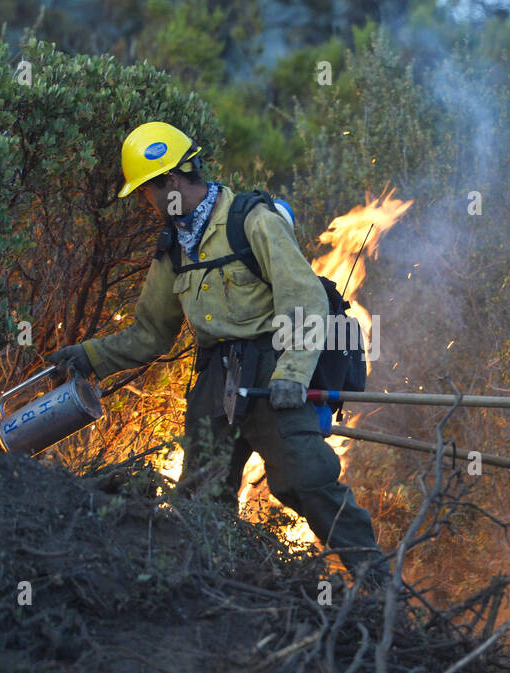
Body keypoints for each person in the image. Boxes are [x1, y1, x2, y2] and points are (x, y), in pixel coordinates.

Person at [49, 121, 384, 581]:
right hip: (215, 383)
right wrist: (88, 357)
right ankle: (217, 596)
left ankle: (382, 589)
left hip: (272, 372)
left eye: (147, 192)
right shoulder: (174, 248)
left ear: (170, 181)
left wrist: (292, 372)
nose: (147, 205)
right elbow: (150, 332)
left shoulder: (252, 220)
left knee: (307, 481)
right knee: (200, 502)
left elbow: (303, 298)